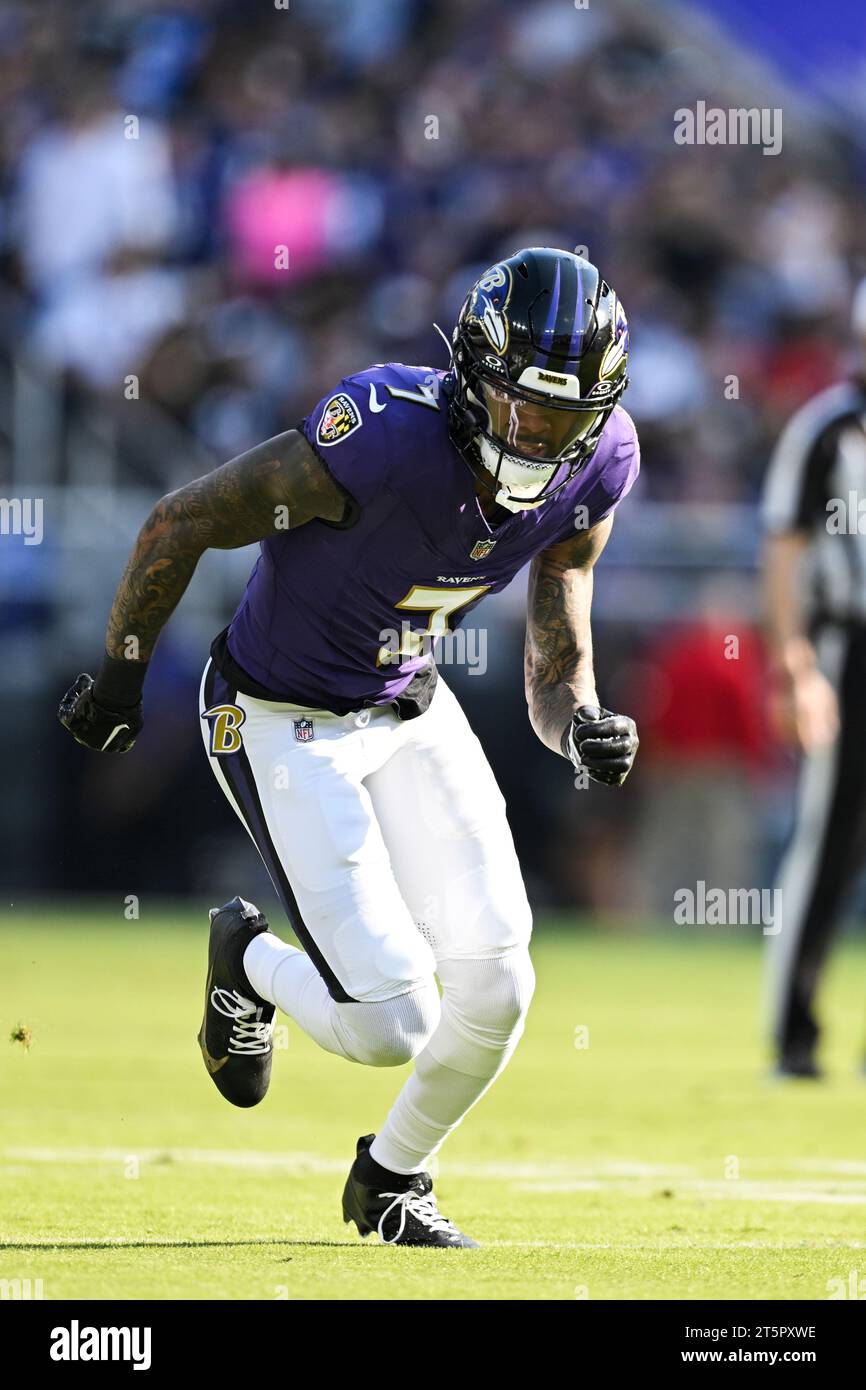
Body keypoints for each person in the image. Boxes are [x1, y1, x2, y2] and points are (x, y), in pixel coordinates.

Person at [58, 247, 640, 1245]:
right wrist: (120, 677)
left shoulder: (602, 460)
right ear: (471, 376)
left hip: (407, 701)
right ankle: (247, 959)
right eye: (522, 409)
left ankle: (390, 1180)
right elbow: (183, 518)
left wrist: (579, 721)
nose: (541, 437)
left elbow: (554, 656)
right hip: (278, 713)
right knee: (389, 1023)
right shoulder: (380, 441)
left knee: (499, 983)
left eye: (564, 419)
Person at [761, 280, 866, 1077]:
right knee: (827, 838)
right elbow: (784, 549)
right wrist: (796, 665)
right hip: (846, 647)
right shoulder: (829, 429)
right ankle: (795, 1029)